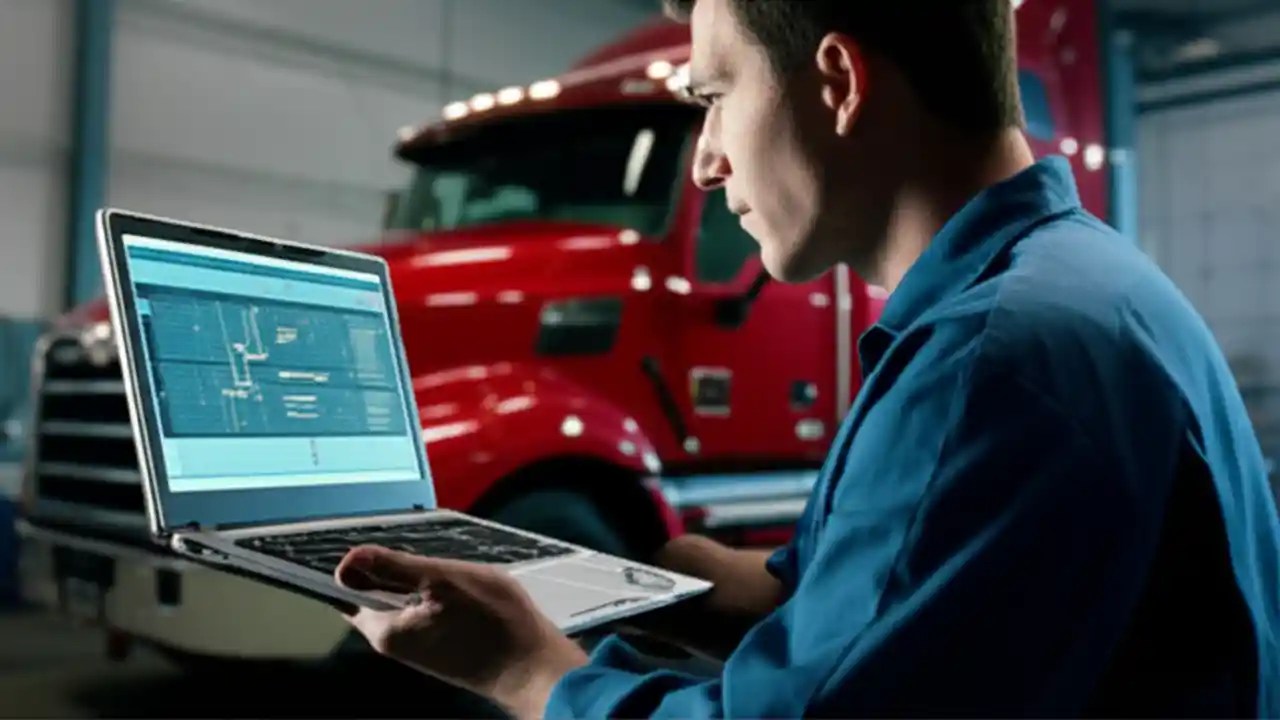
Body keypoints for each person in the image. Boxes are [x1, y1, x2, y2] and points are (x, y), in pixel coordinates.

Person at [334, 0, 1280, 716]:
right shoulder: (1069, 286)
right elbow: (871, 592)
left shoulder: (991, 358)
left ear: (839, 82)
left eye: (712, 99)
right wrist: (655, 584)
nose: (708, 160)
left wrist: (527, 667)